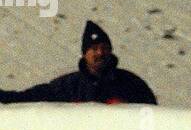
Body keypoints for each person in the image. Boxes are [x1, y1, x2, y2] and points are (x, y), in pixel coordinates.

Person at [0, 21, 157, 105]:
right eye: (94, 49)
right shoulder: (69, 86)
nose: (100, 53)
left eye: (104, 48)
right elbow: (32, 97)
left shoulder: (130, 83)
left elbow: (153, 117)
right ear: (84, 53)